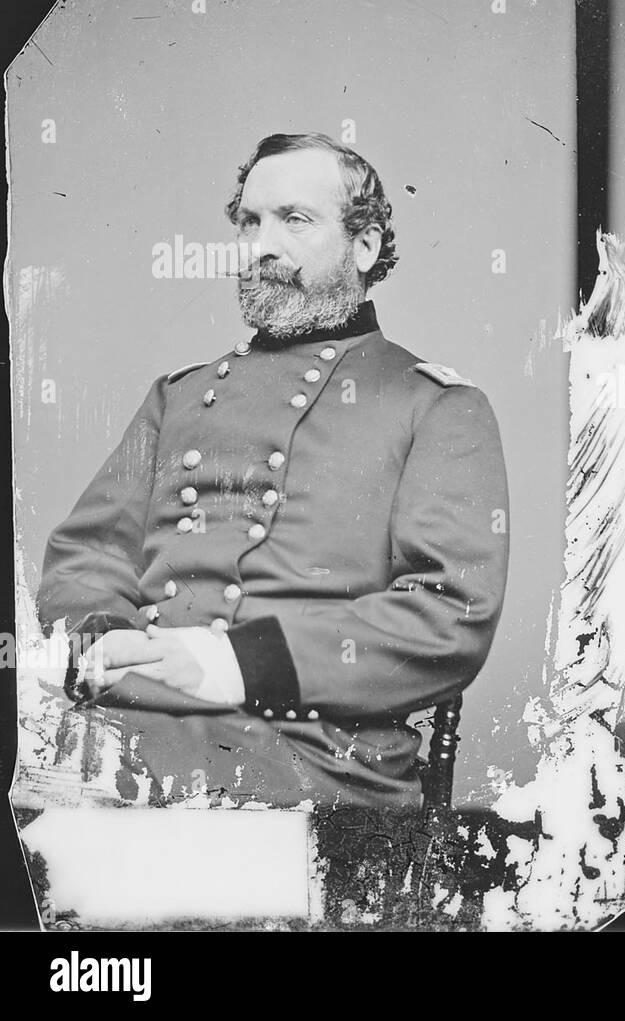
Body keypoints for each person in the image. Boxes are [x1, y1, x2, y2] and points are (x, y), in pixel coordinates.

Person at [36, 132, 510, 809]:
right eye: (250, 221)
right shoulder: (177, 394)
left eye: (294, 219)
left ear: (365, 245)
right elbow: (88, 551)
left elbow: (447, 612)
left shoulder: (433, 405)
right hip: (135, 720)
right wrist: (103, 643)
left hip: (313, 761)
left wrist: (232, 663)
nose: (262, 244)